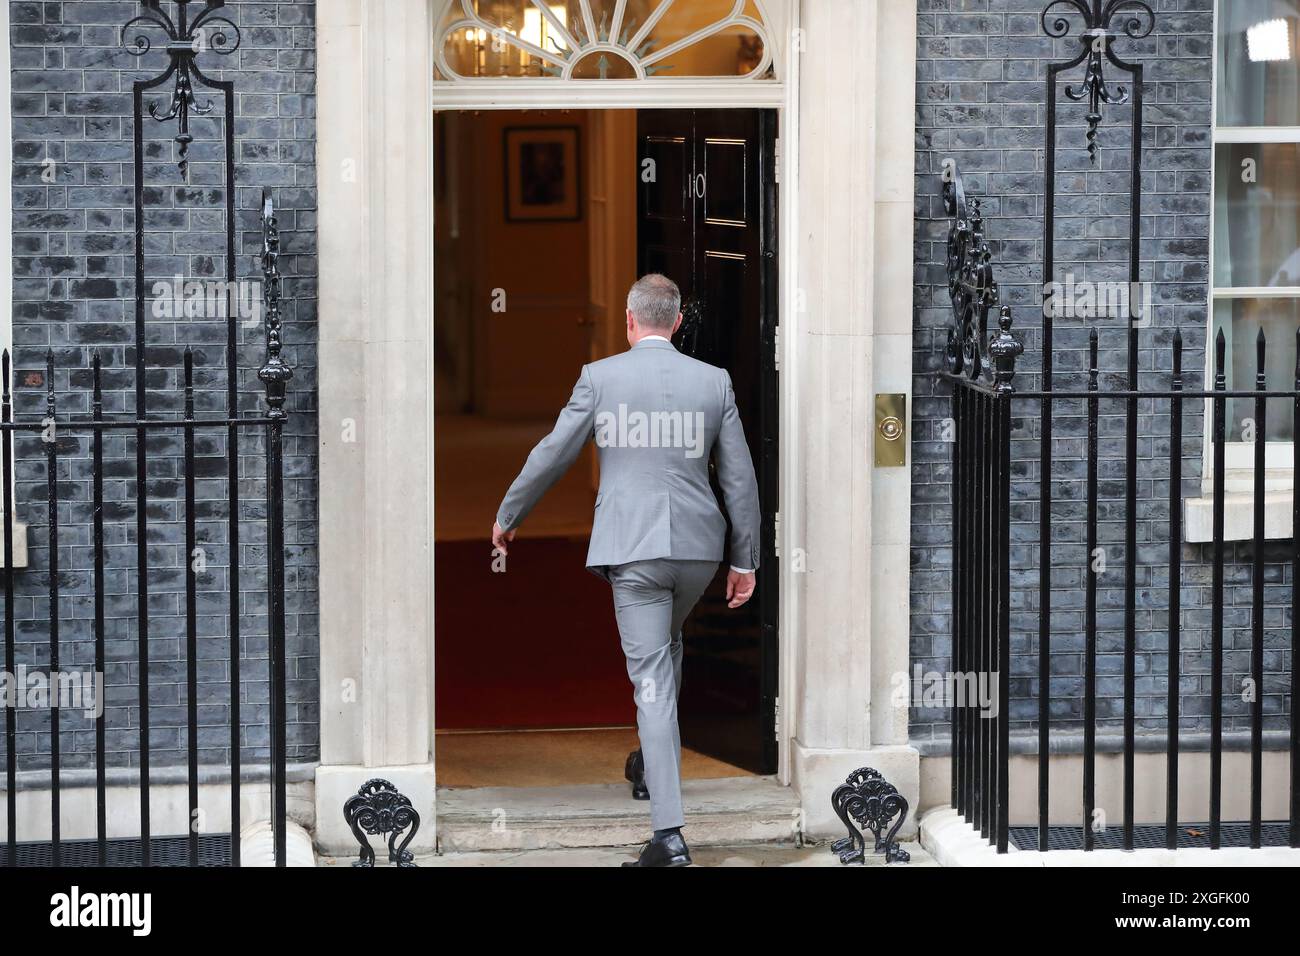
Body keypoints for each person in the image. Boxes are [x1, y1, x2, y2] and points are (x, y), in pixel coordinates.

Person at [492, 273, 761, 867]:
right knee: (666, 651)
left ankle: (669, 836)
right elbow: (739, 479)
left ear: (631, 321)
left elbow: (553, 452)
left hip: (635, 552)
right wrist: (745, 559)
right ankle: (651, 762)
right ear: (678, 322)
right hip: (698, 550)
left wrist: (510, 513)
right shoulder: (713, 382)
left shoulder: (602, 377)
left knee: (651, 680)